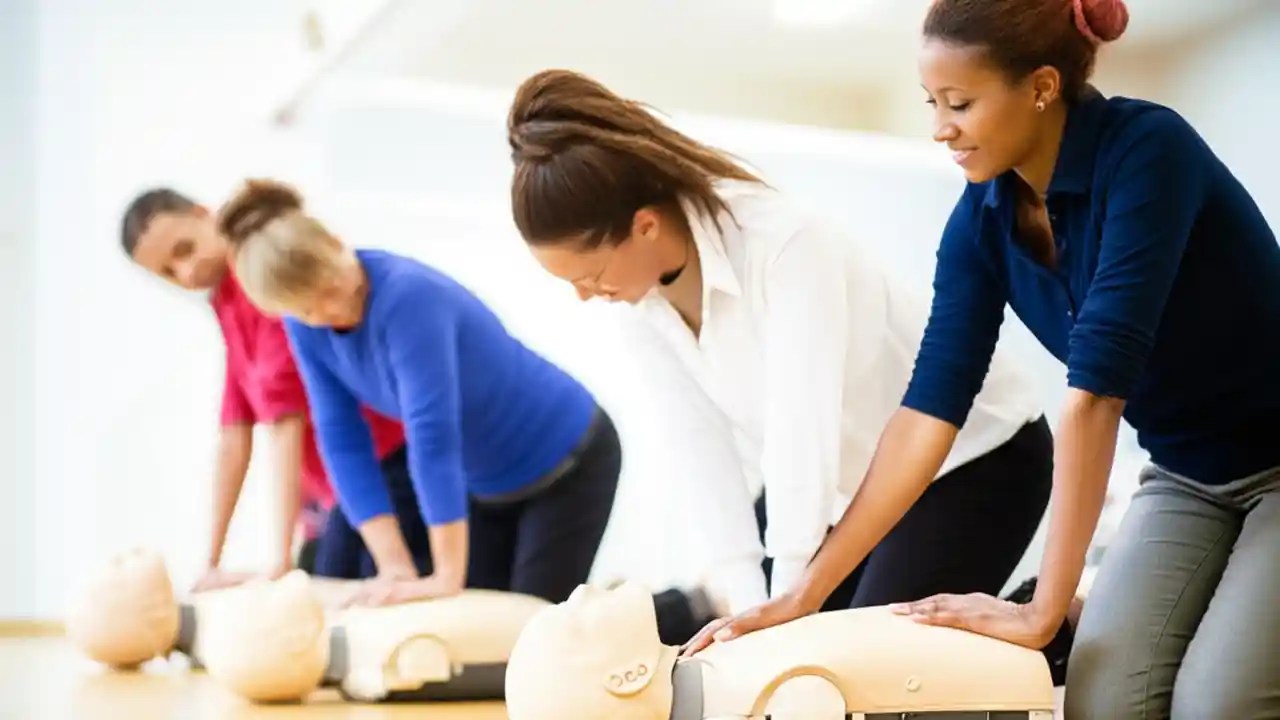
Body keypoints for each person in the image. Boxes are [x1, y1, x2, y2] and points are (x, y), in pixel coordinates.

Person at [682, 1, 1280, 718]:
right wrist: (804, 592)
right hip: (1189, 475)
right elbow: (926, 411)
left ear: (1042, 87)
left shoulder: (1149, 151)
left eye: (959, 103)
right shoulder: (980, 222)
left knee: (1217, 703)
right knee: (1100, 701)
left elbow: (1095, 396)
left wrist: (1044, 611)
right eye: (932, 103)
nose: (940, 127)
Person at [505, 68, 1057, 655]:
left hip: (976, 457)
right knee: (759, 650)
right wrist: (748, 615)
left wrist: (788, 604)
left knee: (858, 667)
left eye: (589, 276)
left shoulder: (782, 244)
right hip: (856, 488)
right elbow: (703, 457)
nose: (586, 296)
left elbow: (802, 434)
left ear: (644, 226)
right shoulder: (639, 305)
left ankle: (1060, 629)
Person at [214, 179, 719, 644]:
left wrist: (444, 575)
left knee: (533, 637)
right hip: (488, 486)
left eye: (333, 282)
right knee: (472, 635)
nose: (336, 307)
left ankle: (689, 607)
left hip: (570, 459)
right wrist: (395, 568)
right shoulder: (308, 329)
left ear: (336, 245)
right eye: (312, 308)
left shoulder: (408, 297)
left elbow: (432, 436)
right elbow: (341, 440)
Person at [121, 189, 406, 588]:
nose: (185, 273)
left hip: (383, 465)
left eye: (184, 249)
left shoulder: (265, 283)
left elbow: (284, 424)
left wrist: (279, 559)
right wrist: (211, 563)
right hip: (331, 496)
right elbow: (235, 437)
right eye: (169, 272)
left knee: (336, 595)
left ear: (206, 214)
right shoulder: (226, 305)